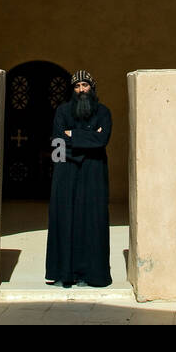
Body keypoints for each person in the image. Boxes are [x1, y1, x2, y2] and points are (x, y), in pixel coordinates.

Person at [45, 69, 113, 288]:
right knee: (65, 219)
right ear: (72, 89)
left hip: (93, 174)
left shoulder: (103, 112)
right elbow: (57, 145)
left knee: (92, 220)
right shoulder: (62, 111)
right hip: (65, 173)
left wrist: (72, 135)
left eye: (85, 85)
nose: (81, 90)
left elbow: (102, 141)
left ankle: (91, 274)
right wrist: (88, 140)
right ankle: (65, 273)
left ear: (92, 88)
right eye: (77, 86)